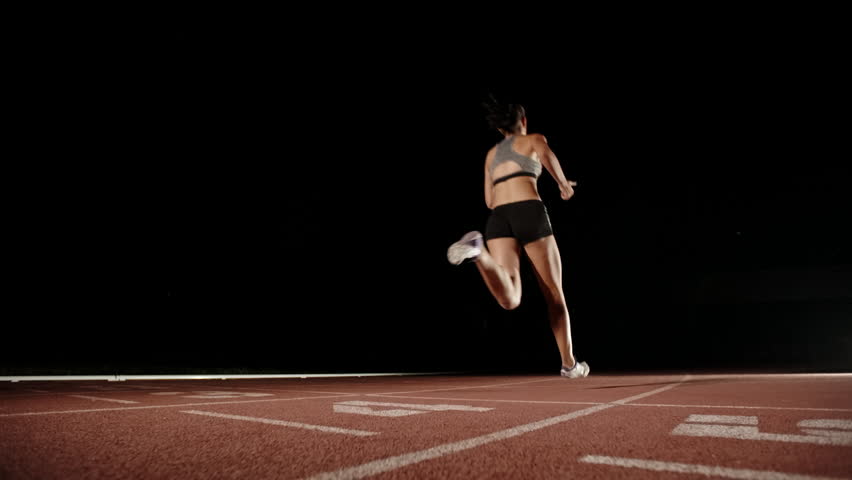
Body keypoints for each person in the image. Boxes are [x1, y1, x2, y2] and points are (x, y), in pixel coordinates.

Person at [447, 98, 589, 378]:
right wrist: (563, 185)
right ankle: (569, 364)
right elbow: (548, 156)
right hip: (529, 212)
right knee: (554, 294)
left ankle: (479, 252)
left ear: (500, 129)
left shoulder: (491, 155)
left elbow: (489, 201)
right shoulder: (534, 139)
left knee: (510, 298)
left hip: (499, 218)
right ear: (523, 121)